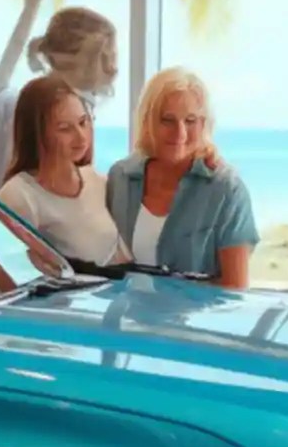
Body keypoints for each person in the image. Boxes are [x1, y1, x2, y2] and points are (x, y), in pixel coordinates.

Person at [105, 67, 258, 288]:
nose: (180, 133)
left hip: (192, 321)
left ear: (204, 123)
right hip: (126, 319)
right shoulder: (121, 178)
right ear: (148, 121)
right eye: (168, 120)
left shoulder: (227, 190)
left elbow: (235, 290)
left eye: (190, 120)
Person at [0, 7, 119, 195]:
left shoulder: (15, 104)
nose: (114, 69)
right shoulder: (51, 113)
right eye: (109, 57)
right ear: (89, 61)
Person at [0, 74, 130, 266]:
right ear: (37, 134)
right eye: (65, 128)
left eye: (83, 122)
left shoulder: (98, 182)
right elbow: (15, 270)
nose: (81, 136)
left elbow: (120, 255)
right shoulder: (19, 196)